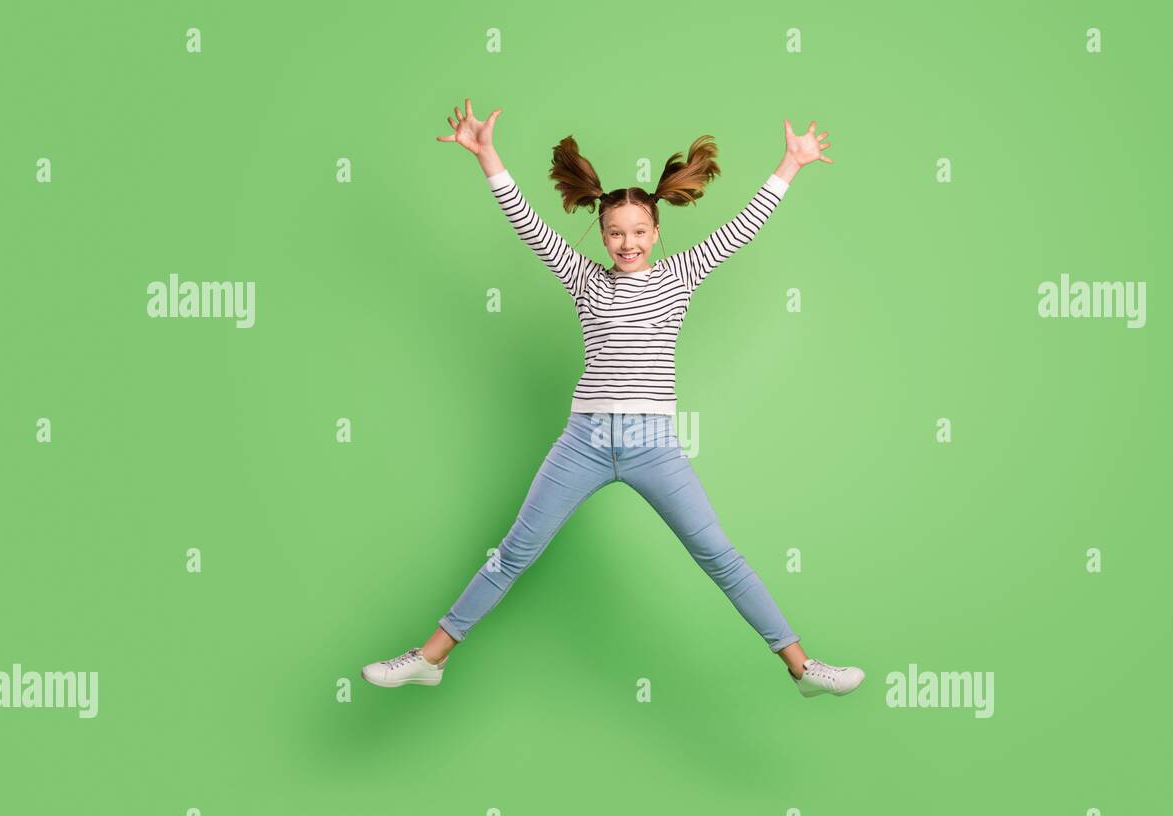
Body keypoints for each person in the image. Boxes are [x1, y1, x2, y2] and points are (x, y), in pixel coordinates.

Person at [362, 99, 863, 699]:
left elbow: (742, 228)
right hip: (584, 442)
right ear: (601, 234)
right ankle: (429, 658)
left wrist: (792, 163)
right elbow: (526, 223)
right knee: (514, 551)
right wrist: (487, 155)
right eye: (616, 233)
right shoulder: (584, 277)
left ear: (657, 232)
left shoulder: (680, 275)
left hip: (653, 445)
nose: (628, 243)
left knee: (718, 554)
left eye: (639, 233)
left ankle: (804, 669)